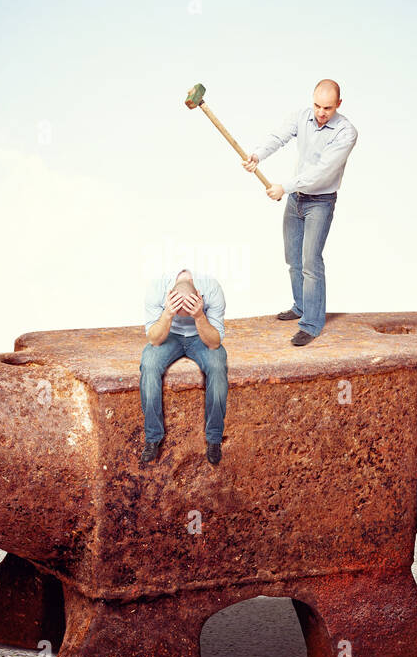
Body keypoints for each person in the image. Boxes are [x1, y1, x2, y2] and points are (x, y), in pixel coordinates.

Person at [242, 79, 357, 345]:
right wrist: (258, 155)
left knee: (310, 262)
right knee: (292, 257)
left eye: (327, 107)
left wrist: (284, 187)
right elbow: (278, 137)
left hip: (320, 201)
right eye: (317, 105)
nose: (320, 112)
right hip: (296, 199)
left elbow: (321, 173)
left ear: (338, 104)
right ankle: (300, 306)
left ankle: (312, 324)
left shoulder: (346, 132)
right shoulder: (302, 117)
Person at [139, 268, 227, 466]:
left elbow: (214, 343)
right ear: (169, 296)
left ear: (198, 296)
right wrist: (168, 315)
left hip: (201, 335)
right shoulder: (157, 288)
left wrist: (198, 317)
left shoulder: (212, 289)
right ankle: (153, 437)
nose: (183, 317)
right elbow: (154, 339)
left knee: (217, 364)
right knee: (149, 363)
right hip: (168, 334)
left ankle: (214, 439)